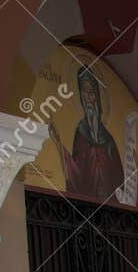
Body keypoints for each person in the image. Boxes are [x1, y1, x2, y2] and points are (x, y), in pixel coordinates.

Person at [49, 65, 124, 200]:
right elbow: (76, 174)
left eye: (91, 92)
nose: (88, 98)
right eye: (84, 92)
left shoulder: (108, 139)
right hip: (87, 206)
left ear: (97, 97)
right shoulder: (81, 132)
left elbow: (120, 179)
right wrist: (58, 144)